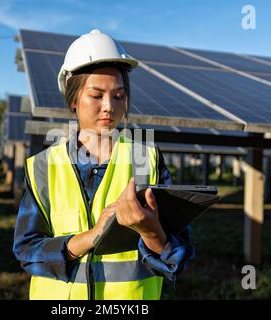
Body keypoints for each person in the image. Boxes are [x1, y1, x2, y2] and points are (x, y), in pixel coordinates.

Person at [13, 29, 194, 300]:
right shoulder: (43, 168)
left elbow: (177, 259)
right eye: (96, 95)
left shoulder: (148, 162)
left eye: (119, 96)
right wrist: (91, 237)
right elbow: (27, 251)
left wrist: (150, 231)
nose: (109, 106)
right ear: (73, 99)